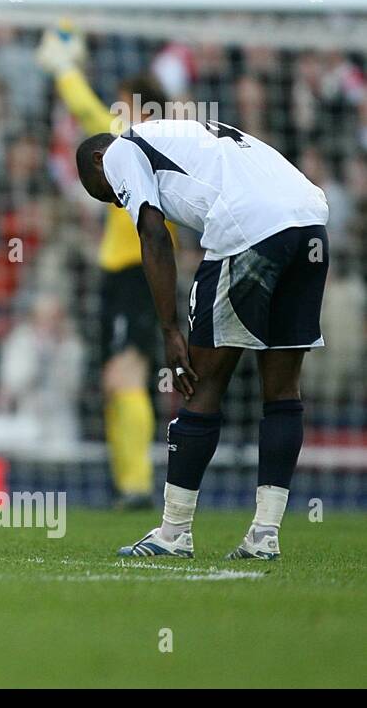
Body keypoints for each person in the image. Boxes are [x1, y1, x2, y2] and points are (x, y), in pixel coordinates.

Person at [75, 118, 330, 560]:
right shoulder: (184, 133)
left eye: (109, 193)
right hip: (310, 222)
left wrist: (171, 330)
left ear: (100, 159)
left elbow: (153, 234)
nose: (118, 202)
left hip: (249, 229)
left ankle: (174, 532)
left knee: (201, 381)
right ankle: (264, 534)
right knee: (284, 390)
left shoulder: (119, 151)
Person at [36, 24, 175, 509]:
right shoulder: (162, 145)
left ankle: (137, 485)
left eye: (123, 103)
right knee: (117, 379)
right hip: (126, 273)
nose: (116, 110)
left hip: (138, 271)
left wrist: (63, 69)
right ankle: (126, 483)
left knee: (127, 375)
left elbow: (87, 113)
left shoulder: (140, 139)